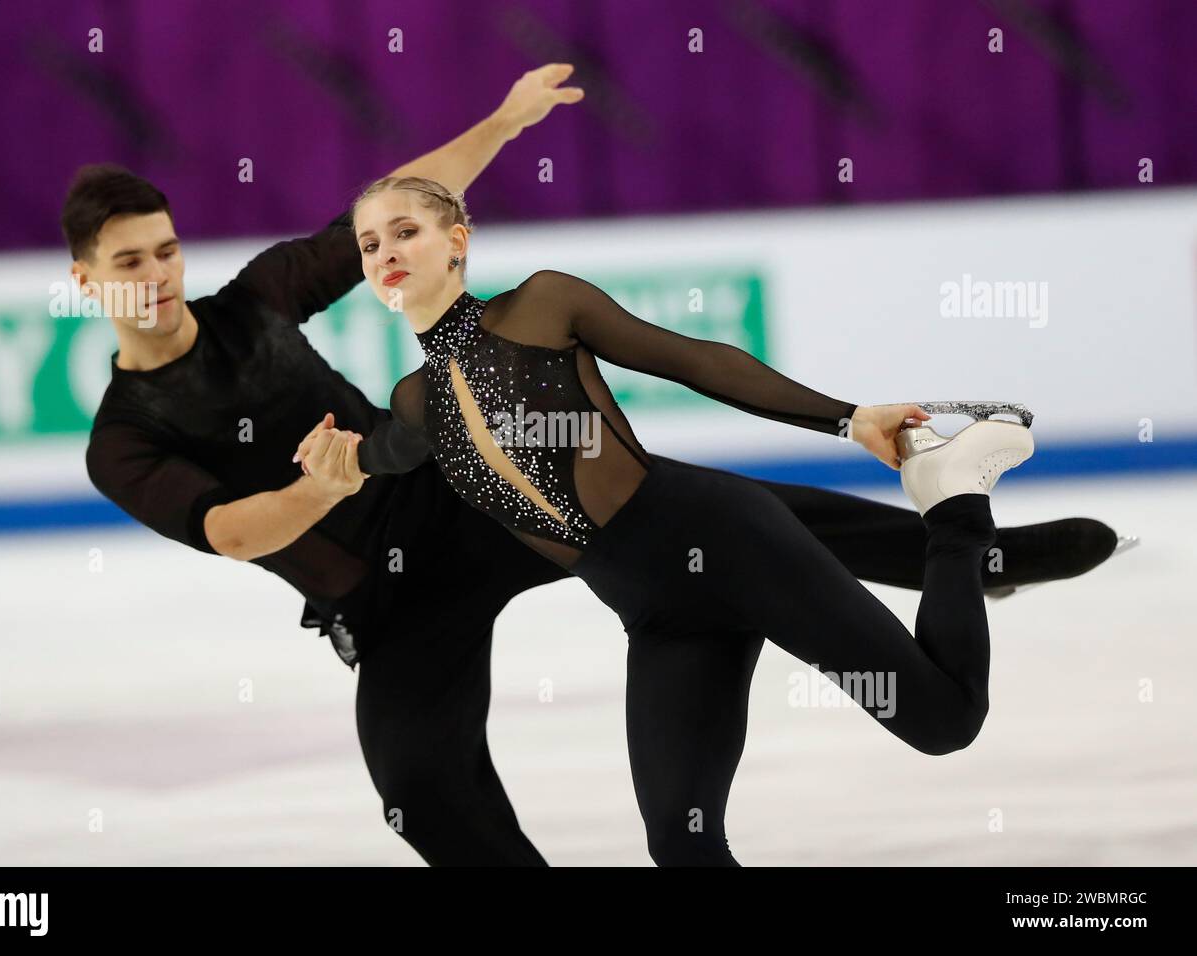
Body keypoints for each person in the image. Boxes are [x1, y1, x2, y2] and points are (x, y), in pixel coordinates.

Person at [72, 85, 1116, 863]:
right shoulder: (123, 439)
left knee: (666, 500)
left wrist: (503, 122)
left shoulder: (262, 296)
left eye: (163, 250)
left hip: (464, 500)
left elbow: (394, 210)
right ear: (86, 281)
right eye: (129, 263)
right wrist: (326, 485)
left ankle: (976, 544)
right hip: (381, 591)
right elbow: (235, 532)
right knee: (421, 788)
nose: (158, 276)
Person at [327, 175, 1087, 866]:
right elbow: (391, 452)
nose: (386, 252)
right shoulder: (414, 401)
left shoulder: (541, 304)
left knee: (943, 722)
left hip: (724, 540)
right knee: (682, 842)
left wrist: (848, 418)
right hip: (657, 611)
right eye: (369, 244)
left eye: (405, 232)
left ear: (456, 241)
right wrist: (343, 459)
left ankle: (952, 505)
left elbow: (694, 359)